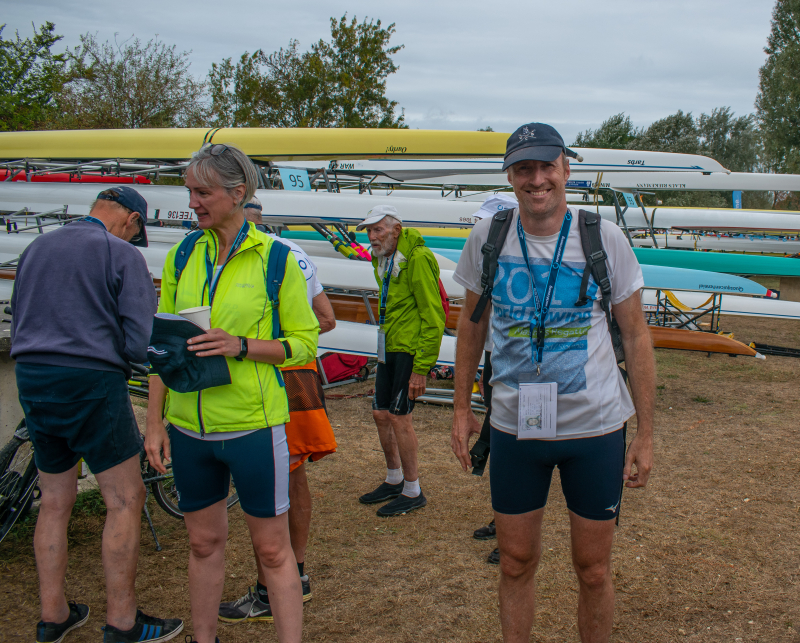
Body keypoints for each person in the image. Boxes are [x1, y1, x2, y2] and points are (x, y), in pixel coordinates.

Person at [451, 123, 655, 643]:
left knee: (594, 569)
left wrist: (647, 433)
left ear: (566, 169)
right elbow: (471, 327)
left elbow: (636, 335)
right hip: (515, 429)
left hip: (596, 429)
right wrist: (460, 409)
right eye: (524, 168)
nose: (537, 179)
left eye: (546, 166)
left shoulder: (602, 237)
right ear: (510, 177)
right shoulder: (488, 236)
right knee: (515, 562)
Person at [145, 144, 319, 643]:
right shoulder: (182, 254)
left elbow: (304, 344)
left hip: (253, 428)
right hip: (189, 428)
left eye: (203, 192)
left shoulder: (276, 258)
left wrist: (240, 345)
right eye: (190, 192)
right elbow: (163, 346)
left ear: (238, 192)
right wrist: (155, 423)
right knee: (202, 544)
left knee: (273, 551)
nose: (192, 203)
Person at [11, 187, 184, 643]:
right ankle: (123, 623)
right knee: (124, 498)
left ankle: (53, 616)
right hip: (89, 379)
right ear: (132, 219)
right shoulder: (120, 253)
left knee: (54, 499)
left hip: (32, 375)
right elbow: (140, 340)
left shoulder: (37, 247)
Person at [218, 197, 338, 622]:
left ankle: (271, 588)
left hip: (266, 374)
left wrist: (261, 343)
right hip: (300, 373)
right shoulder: (295, 252)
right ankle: (295, 574)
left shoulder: (249, 255)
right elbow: (327, 319)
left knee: (268, 481)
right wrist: (294, 338)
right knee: (292, 475)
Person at [356, 205, 445, 516]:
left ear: (396, 230)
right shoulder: (382, 256)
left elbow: (434, 315)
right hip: (388, 344)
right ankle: (394, 479)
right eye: (369, 231)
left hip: (408, 348)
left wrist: (421, 368)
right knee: (381, 414)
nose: (372, 236)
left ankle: (412, 490)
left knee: (398, 417)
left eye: (378, 229)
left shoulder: (418, 258)